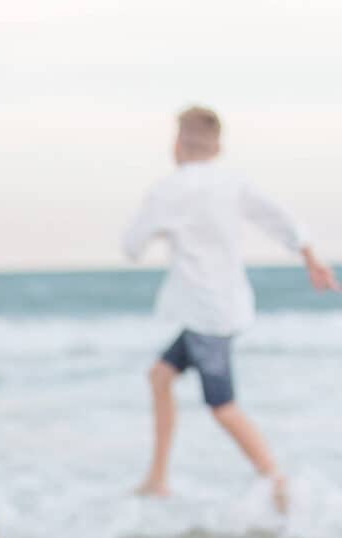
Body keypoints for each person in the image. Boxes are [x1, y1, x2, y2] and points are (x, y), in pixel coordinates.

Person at [123, 105, 339, 511]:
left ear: (179, 142)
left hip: (206, 313)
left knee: (222, 406)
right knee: (160, 375)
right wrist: (311, 259)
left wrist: (162, 226)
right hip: (223, 308)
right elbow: (281, 220)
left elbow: (131, 246)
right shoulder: (233, 183)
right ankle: (158, 478)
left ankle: (277, 482)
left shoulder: (168, 190)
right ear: (217, 145)